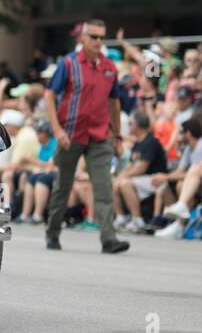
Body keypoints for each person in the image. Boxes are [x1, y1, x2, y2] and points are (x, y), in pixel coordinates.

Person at [43, 18, 128, 253]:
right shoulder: (68, 64)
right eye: (94, 36)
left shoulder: (110, 67)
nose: (98, 41)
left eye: (102, 37)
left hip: (100, 135)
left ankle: (109, 239)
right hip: (70, 134)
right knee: (63, 186)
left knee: (104, 187)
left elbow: (115, 103)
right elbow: (49, 95)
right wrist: (57, 130)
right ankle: (52, 233)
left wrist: (118, 136)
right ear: (82, 38)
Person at [112, 110, 167, 232]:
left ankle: (138, 221)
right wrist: (120, 175)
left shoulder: (150, 141)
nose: (129, 126)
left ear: (136, 125)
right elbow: (131, 164)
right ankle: (121, 218)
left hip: (155, 179)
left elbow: (141, 168)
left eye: (130, 123)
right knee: (115, 182)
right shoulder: (138, 142)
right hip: (142, 178)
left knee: (125, 183)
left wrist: (123, 177)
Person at [156, 117, 202, 239]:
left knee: (182, 183)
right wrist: (164, 178)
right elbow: (180, 171)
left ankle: (179, 222)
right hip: (197, 179)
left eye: (180, 133)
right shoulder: (188, 148)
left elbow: (195, 171)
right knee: (163, 184)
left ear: (188, 134)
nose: (178, 137)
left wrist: (166, 177)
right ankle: (176, 221)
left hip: (199, 179)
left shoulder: (201, 145)